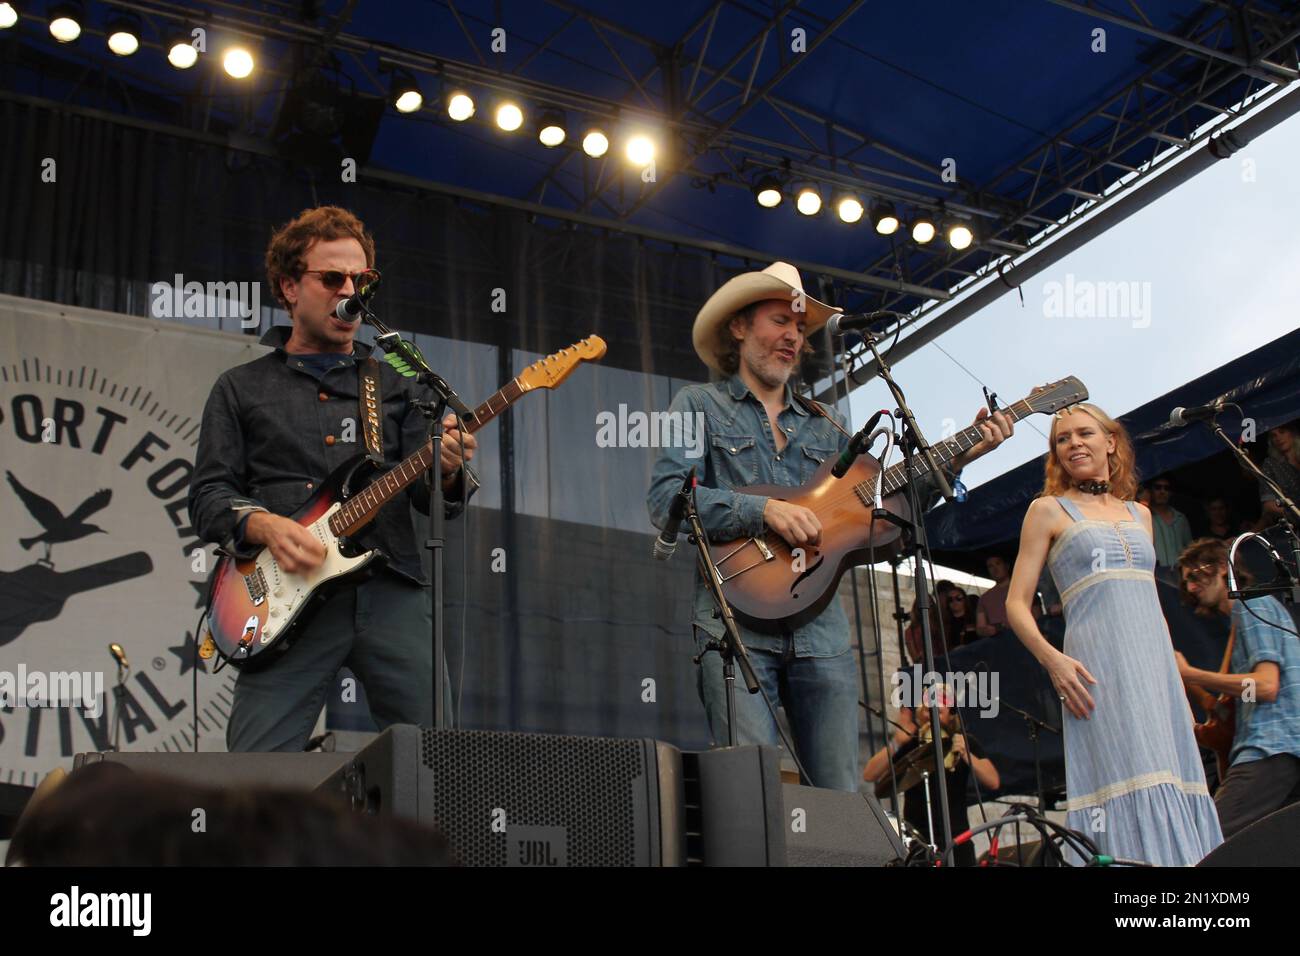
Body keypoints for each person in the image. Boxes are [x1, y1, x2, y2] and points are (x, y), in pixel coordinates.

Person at [646, 261, 1012, 792]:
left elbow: (888, 510)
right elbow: (666, 502)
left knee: (840, 796)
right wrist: (763, 510)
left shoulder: (826, 423)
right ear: (739, 327)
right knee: (749, 794)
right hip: (734, 626)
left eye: (800, 327)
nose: (793, 336)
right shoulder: (696, 405)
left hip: (822, 632)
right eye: (779, 321)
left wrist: (957, 460)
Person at [189, 206, 478, 752]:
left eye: (361, 279)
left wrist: (447, 470)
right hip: (282, 599)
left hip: (388, 589)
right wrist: (265, 525)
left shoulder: (398, 383)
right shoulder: (241, 387)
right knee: (257, 774)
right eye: (332, 278)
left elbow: (431, 499)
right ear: (289, 287)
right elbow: (208, 496)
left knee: (436, 763)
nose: (350, 290)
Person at [1004, 402, 1222, 865]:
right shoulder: (1047, 511)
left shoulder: (1139, 514)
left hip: (1154, 671)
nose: (1073, 444)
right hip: (1097, 670)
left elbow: (1153, 608)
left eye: (1084, 433)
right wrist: (1053, 660)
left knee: (1172, 776)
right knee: (1126, 777)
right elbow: (1015, 605)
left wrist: (1178, 686)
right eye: (1062, 439)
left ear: (1110, 442)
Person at [1175, 538, 1300, 839]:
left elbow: (1266, 687)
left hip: (1270, 747)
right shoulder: (1245, 619)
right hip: (1285, 753)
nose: (1191, 588)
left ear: (1221, 568)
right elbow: (1252, 692)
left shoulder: (1251, 606)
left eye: (1194, 576)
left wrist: (1192, 673)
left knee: (1206, 841)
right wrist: (1190, 681)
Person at [862, 684, 1000, 866]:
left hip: (957, 839)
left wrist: (966, 754)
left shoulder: (963, 741)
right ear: (921, 712)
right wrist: (896, 742)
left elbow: (993, 781)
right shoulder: (910, 743)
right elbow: (869, 774)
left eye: (938, 711)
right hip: (918, 841)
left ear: (950, 714)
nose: (932, 715)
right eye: (928, 710)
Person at [976, 554, 1039, 638]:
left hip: (1026, 638)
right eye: (990, 566)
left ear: (1007, 566)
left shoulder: (1024, 588)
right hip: (998, 643)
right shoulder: (984, 598)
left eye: (998, 563)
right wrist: (987, 630)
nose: (995, 569)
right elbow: (980, 627)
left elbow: (1038, 616)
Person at [1147, 477, 1193, 572]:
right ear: (1150, 490)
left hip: (1181, 573)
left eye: (1166, 488)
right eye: (1158, 487)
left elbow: (1190, 548)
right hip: (1156, 574)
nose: (1162, 491)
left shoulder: (1181, 518)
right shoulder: (1146, 517)